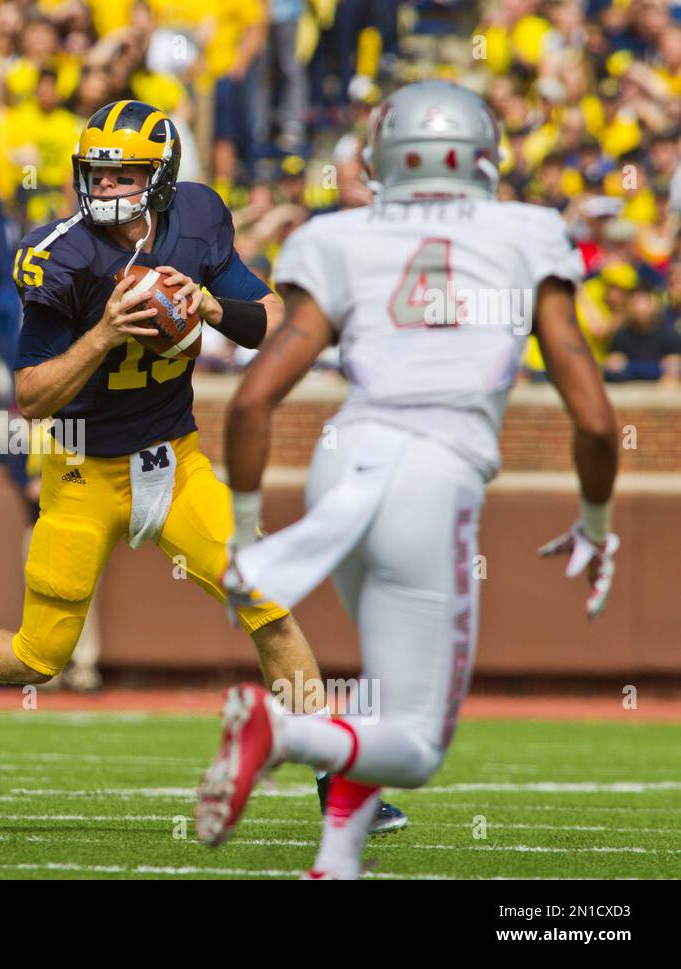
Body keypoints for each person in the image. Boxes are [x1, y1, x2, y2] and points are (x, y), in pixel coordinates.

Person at [0, 100, 405, 832]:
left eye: (126, 174)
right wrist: (105, 332)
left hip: (178, 462)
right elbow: (32, 396)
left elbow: (268, 315)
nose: (107, 189)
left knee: (268, 606)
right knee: (37, 655)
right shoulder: (62, 255)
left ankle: (343, 788)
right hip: (83, 472)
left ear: (163, 176)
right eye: (97, 174)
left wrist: (209, 305)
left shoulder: (199, 219)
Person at [197, 80, 619, 878]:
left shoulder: (341, 236)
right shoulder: (527, 230)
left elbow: (252, 401)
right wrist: (596, 523)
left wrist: (249, 526)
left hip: (342, 462)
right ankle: (279, 729)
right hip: (431, 472)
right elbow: (596, 420)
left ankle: (336, 860)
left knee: (382, 695)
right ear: (484, 157)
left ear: (384, 159)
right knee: (417, 745)